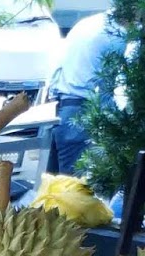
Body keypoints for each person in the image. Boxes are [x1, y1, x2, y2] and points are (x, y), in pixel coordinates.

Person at [48, 8, 128, 175]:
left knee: (56, 183)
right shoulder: (117, 36)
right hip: (82, 114)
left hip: (61, 107)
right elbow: (111, 88)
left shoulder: (87, 24)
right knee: (75, 186)